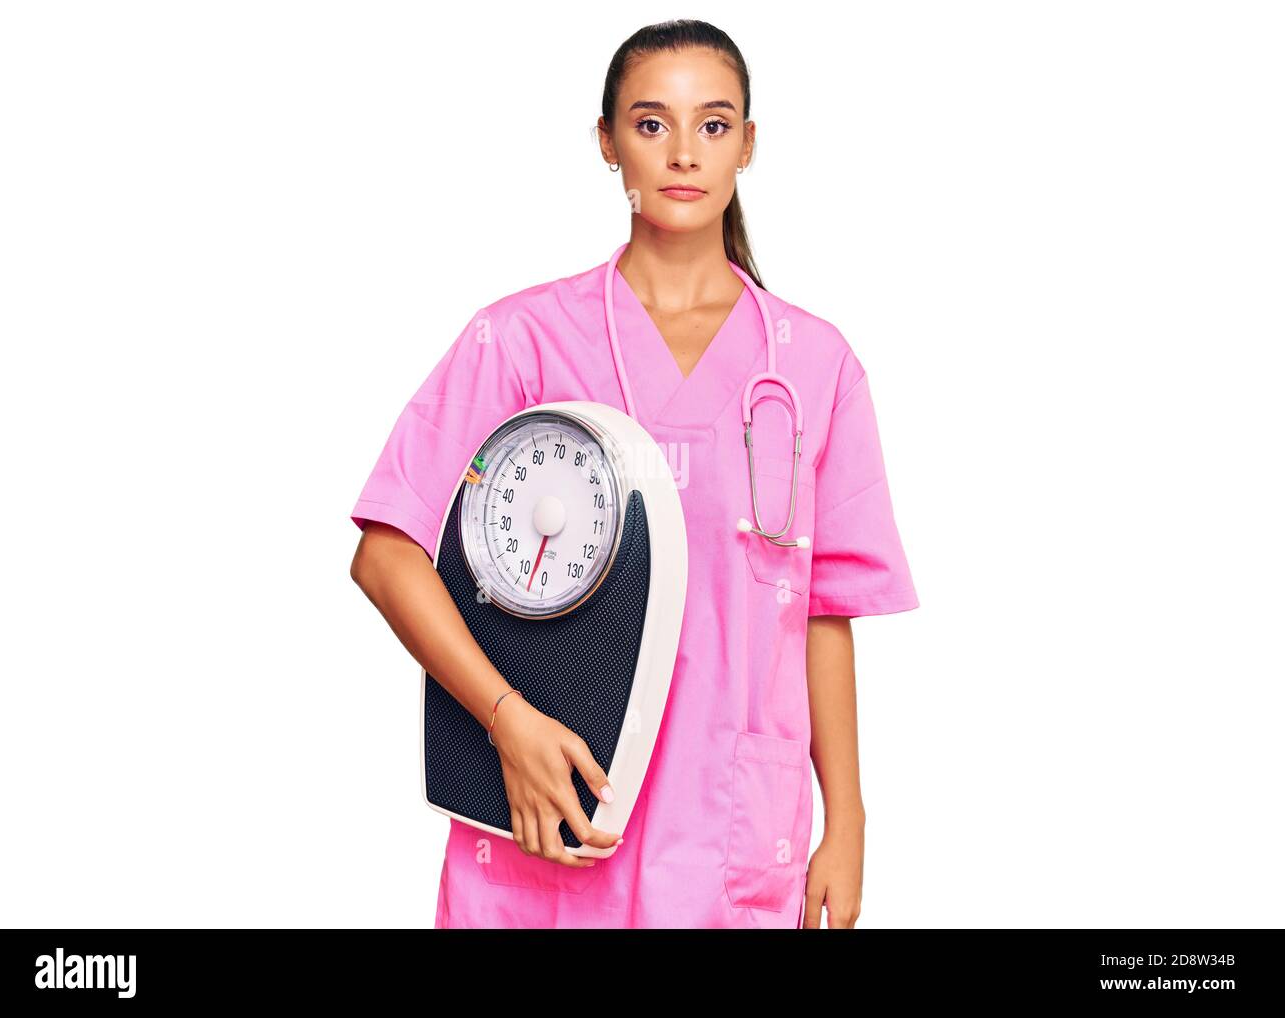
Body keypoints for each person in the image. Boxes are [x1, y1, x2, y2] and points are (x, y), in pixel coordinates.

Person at [348, 19, 918, 929]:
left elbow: (820, 612)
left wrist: (845, 819)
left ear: (749, 145)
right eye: (652, 125)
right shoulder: (523, 341)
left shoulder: (814, 366)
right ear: (608, 144)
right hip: (547, 811)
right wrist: (506, 720)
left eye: (714, 124)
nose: (683, 152)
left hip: (733, 827)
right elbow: (385, 552)